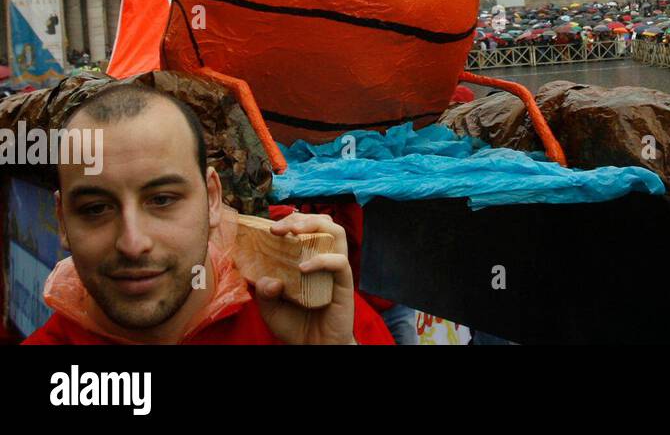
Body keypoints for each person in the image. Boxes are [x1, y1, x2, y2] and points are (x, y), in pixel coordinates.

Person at [24, 82, 394, 345]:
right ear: (62, 220)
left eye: (162, 200)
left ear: (212, 198)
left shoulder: (317, 316)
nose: (133, 243)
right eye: (96, 209)